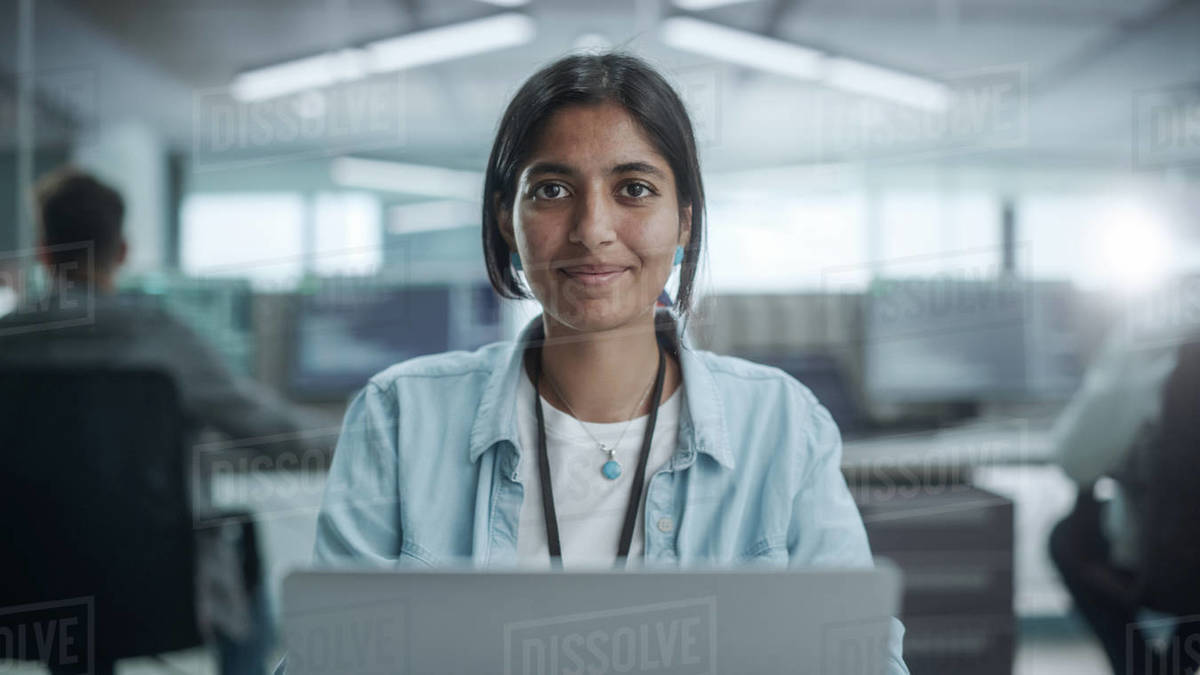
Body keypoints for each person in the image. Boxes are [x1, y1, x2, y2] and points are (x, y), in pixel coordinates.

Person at [312, 52, 908, 673]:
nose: (593, 228)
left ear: (684, 223)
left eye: (634, 189)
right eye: (552, 190)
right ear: (505, 221)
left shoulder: (783, 425)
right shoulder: (400, 417)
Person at [0, 167, 329, 675]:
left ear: (42, 251)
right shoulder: (160, 340)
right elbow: (279, 436)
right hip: (156, 591)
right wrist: (379, 432)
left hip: (26, 587)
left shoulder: (7, 343)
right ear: (123, 250)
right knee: (241, 541)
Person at [1050, 277, 1200, 675]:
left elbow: (1076, 460)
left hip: (1171, 565)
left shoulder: (1158, 332)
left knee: (1067, 539)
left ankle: (1143, 669)